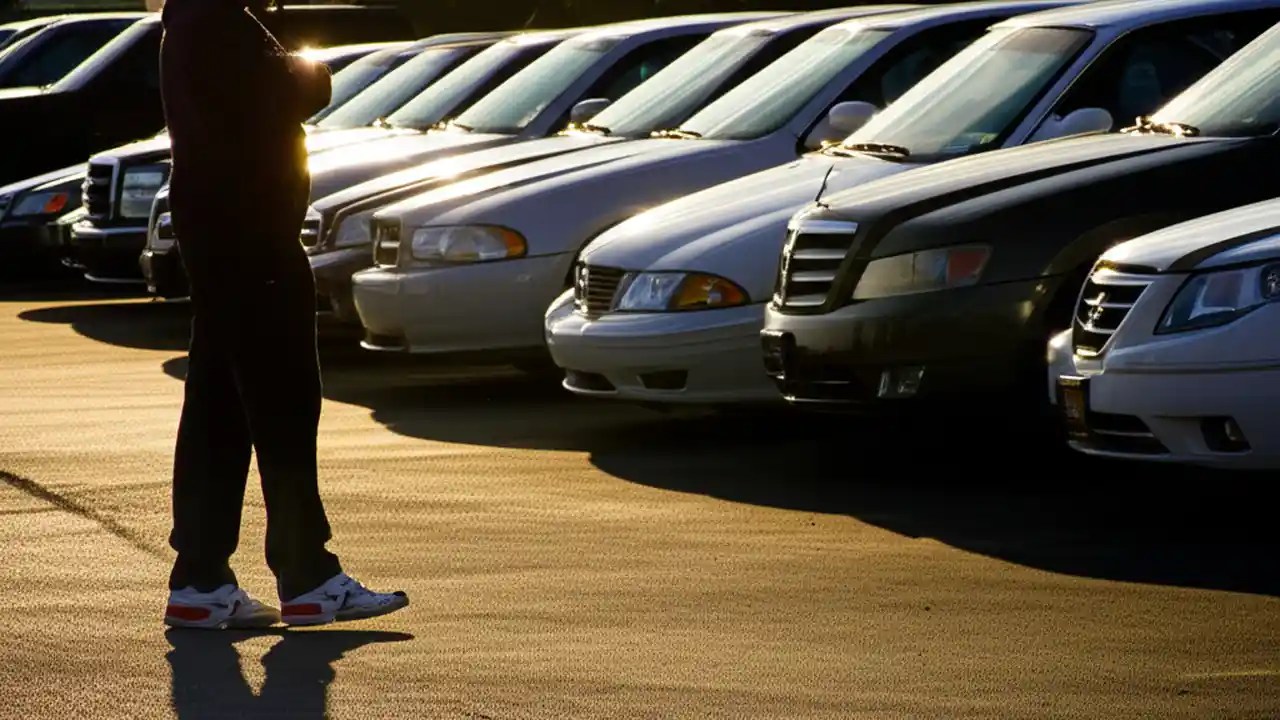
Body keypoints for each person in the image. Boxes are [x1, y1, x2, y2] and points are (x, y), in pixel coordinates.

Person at [158, 0, 408, 629]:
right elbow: (297, 87)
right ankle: (308, 576)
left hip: (224, 238)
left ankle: (201, 578)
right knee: (284, 406)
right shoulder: (221, 24)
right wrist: (299, 58)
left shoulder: (195, 21)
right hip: (254, 240)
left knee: (220, 406)